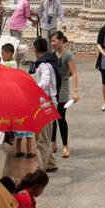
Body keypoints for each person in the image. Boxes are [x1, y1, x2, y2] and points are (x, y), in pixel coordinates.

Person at [31, 36, 59, 173]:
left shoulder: (43, 65)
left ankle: (40, 169)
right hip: (50, 102)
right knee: (46, 135)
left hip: (45, 104)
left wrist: (34, 88)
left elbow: (45, 81)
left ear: (35, 51)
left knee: (42, 138)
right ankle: (51, 163)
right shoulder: (50, 61)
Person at [52, 31, 79, 160]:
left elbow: (74, 73)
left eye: (55, 40)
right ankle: (52, 142)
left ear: (61, 40)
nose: (53, 43)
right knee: (52, 116)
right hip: (53, 87)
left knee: (61, 116)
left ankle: (65, 145)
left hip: (63, 86)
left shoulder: (68, 55)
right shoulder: (53, 55)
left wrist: (75, 91)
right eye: (52, 41)